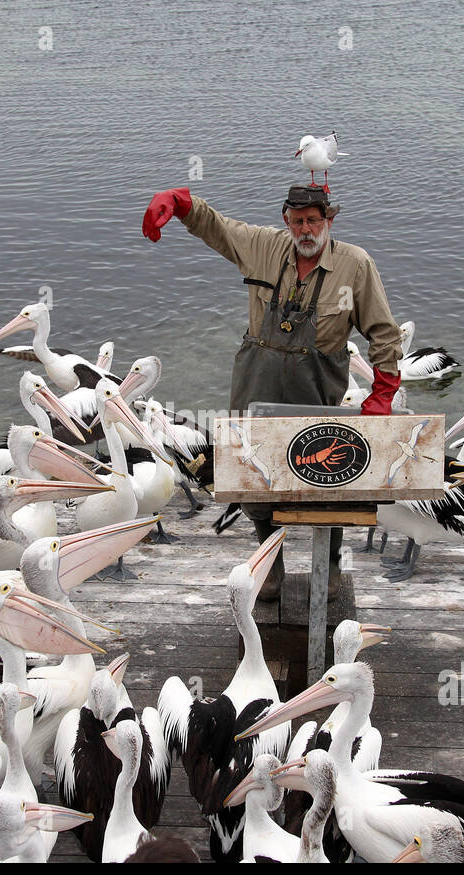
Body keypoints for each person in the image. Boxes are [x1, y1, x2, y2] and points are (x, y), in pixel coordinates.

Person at [142, 184, 403, 600]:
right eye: (298, 220)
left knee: (329, 483)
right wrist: (180, 204)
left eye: (314, 220)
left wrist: (382, 394)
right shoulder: (263, 246)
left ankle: (332, 569)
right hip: (256, 387)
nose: (306, 229)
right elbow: (218, 228)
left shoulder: (356, 265)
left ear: (329, 221)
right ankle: (272, 565)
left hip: (315, 392)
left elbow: (384, 333)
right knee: (254, 480)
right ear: (286, 220)